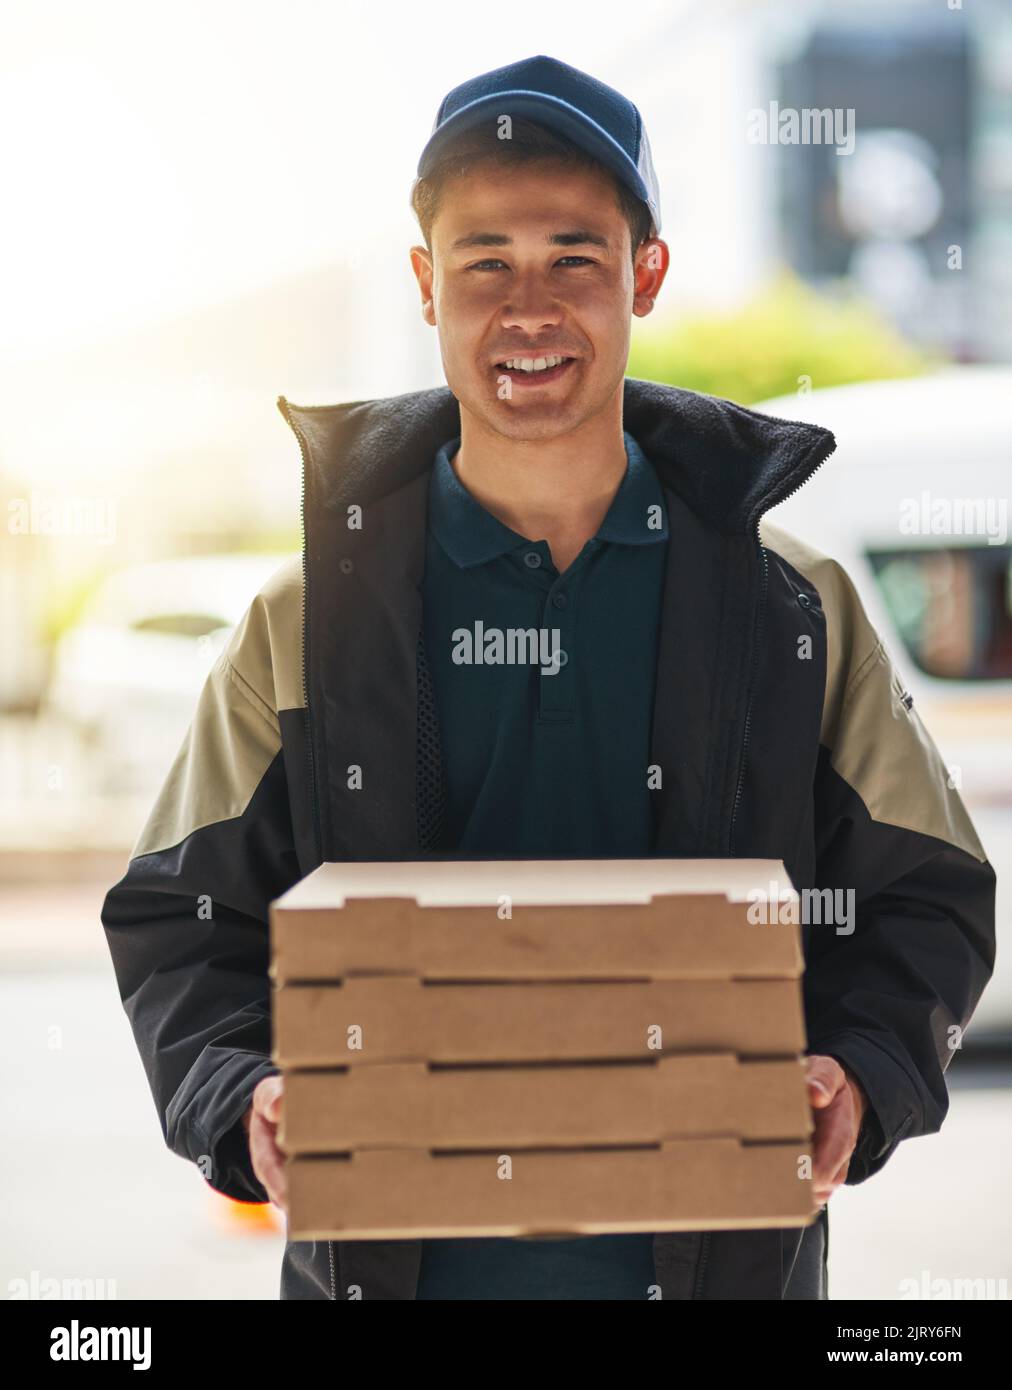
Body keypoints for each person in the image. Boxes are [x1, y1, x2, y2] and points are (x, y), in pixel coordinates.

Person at [101, 54, 996, 1300]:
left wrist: (860, 1068)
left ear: (645, 275)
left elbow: (931, 895)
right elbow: (176, 918)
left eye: (574, 259)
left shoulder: (789, 607)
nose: (528, 308)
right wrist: (241, 1095)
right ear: (426, 284)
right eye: (484, 263)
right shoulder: (305, 619)